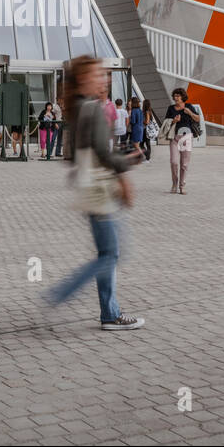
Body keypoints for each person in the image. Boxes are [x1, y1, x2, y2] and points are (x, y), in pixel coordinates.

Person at [48, 56, 144, 331]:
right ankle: (63, 294)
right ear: (83, 79)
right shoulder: (91, 108)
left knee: (109, 253)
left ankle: (109, 313)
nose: (104, 79)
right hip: (100, 190)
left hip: (89, 188)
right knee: (111, 254)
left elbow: (71, 156)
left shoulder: (77, 108)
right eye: (98, 75)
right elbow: (104, 152)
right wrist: (127, 167)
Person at [165, 88, 201, 194]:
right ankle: (174, 184)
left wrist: (189, 112)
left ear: (182, 97)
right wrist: (173, 121)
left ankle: (182, 186)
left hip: (187, 138)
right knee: (174, 162)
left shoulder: (189, 106)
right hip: (175, 138)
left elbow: (198, 119)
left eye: (178, 96)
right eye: (174, 96)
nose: (175, 98)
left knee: (184, 164)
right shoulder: (171, 108)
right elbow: (166, 123)